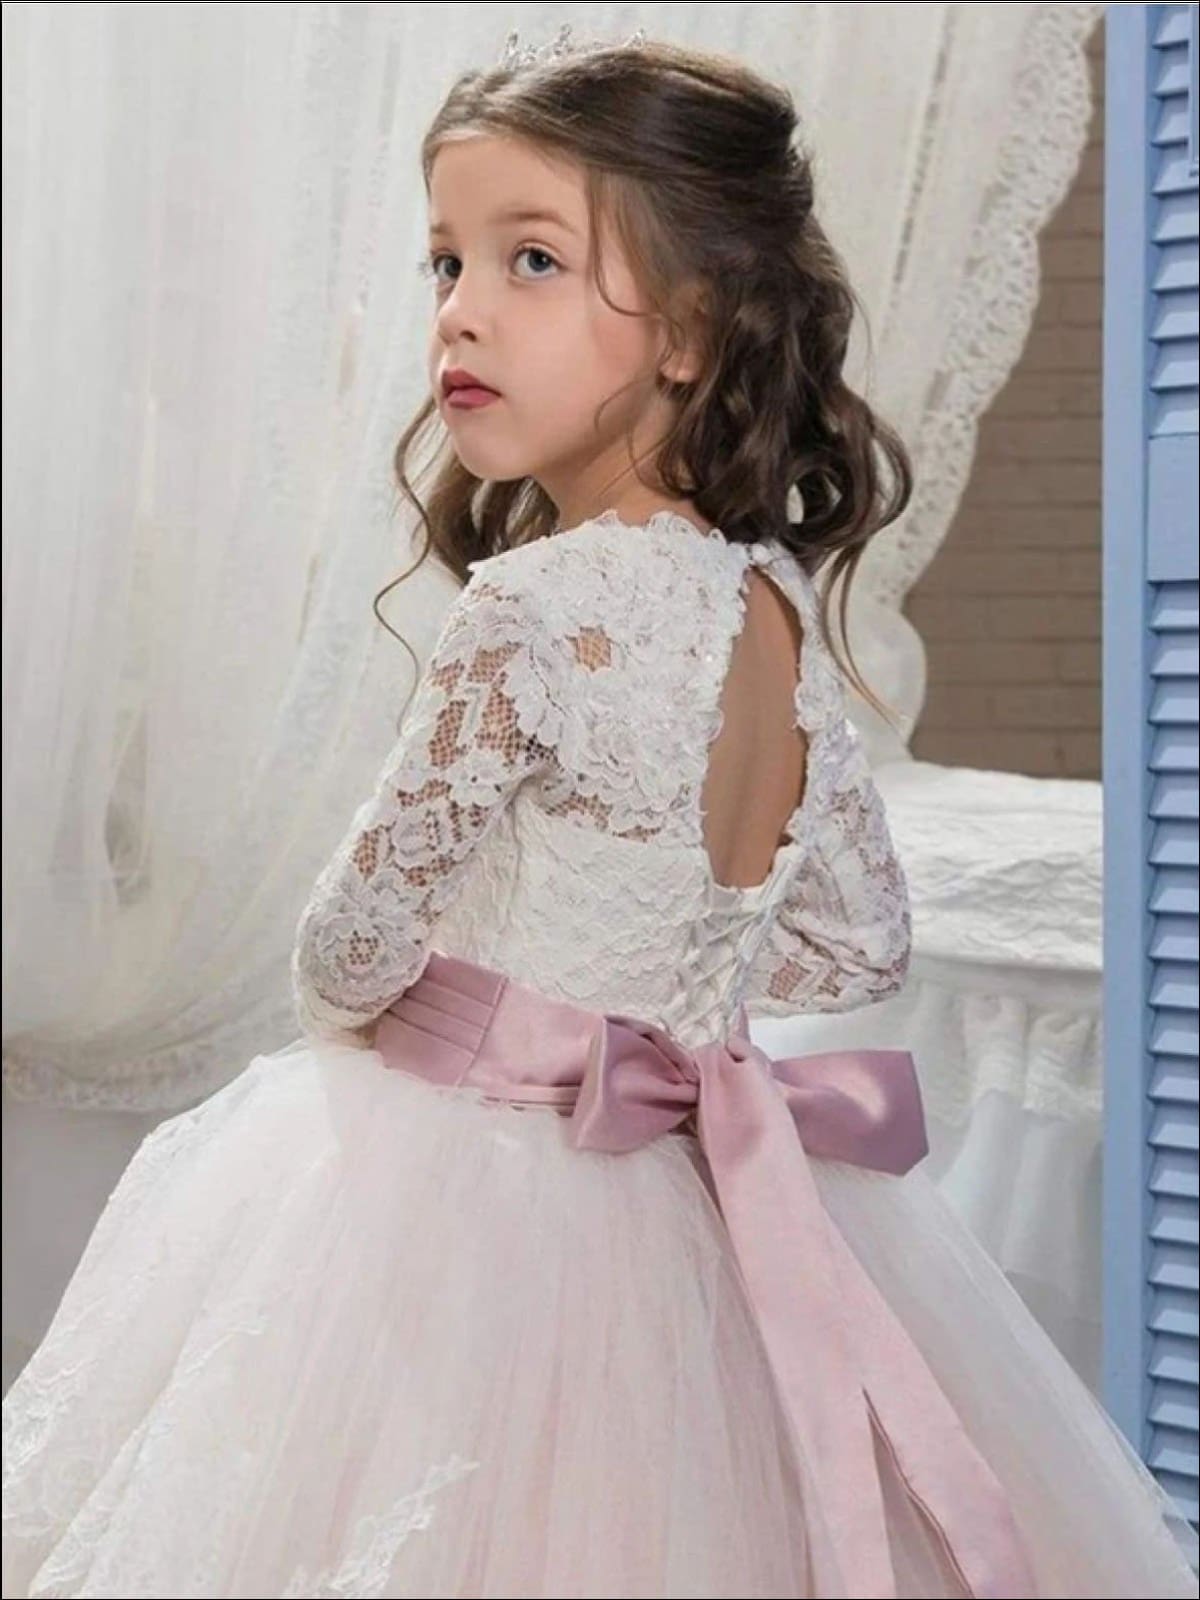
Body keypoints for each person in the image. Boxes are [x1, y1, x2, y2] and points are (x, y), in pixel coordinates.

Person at [3, 26, 1197, 1600]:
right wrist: (672, 1006)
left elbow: (345, 954)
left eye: (534, 259)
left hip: (483, 1197)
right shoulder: (774, 606)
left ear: (692, 331)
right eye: (446, 262)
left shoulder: (531, 608)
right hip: (693, 1197)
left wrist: (511, 1022)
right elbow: (858, 944)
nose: (462, 309)